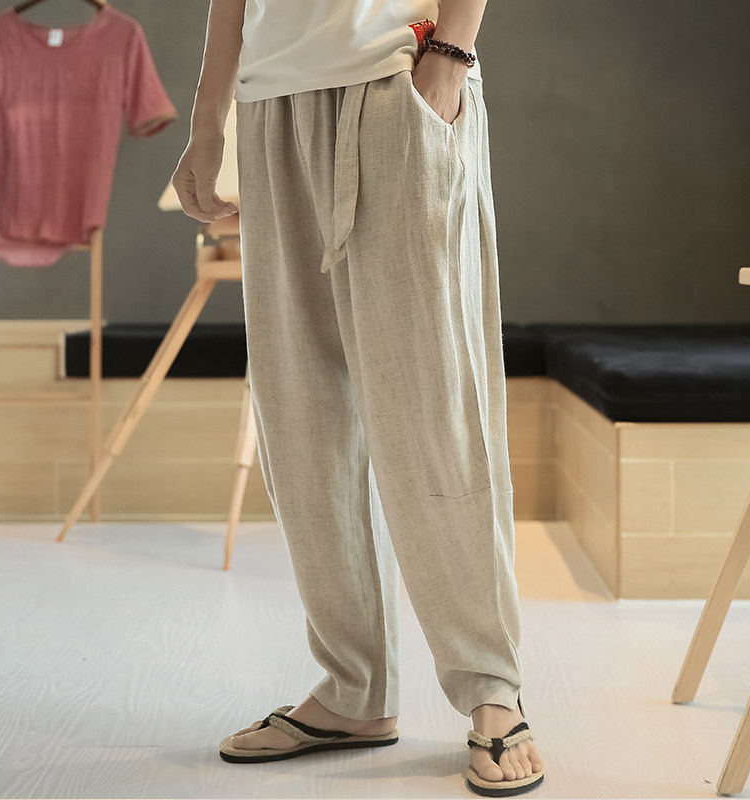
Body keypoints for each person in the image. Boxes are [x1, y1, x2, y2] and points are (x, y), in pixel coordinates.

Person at [171, 0, 545, 795]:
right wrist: (209, 123)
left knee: (433, 405)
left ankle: (491, 687)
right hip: (269, 105)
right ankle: (354, 689)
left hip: (394, 82)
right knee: (300, 413)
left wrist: (451, 57)